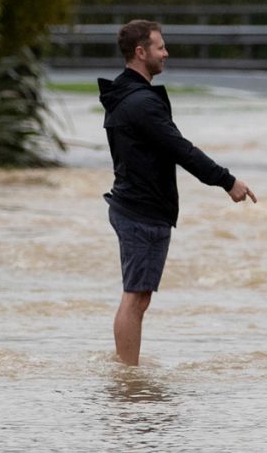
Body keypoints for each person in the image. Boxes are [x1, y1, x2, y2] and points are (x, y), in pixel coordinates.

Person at [98, 20, 255, 366]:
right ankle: (128, 377)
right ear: (140, 53)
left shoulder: (125, 94)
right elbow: (182, 150)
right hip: (140, 211)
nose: (166, 53)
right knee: (135, 298)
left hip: (137, 207)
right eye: (160, 47)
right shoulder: (140, 103)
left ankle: (126, 369)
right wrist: (228, 181)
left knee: (138, 297)